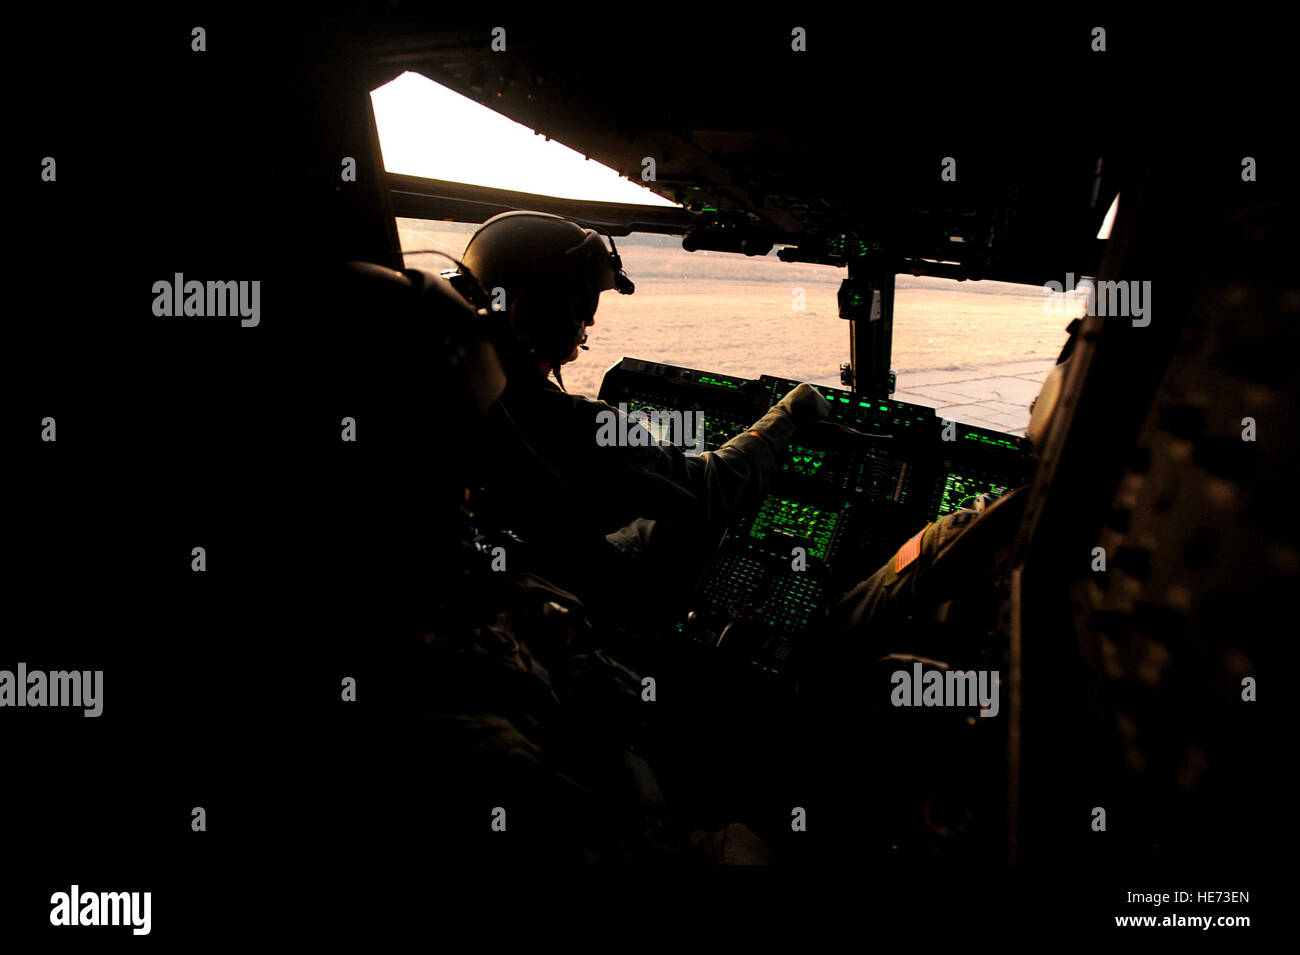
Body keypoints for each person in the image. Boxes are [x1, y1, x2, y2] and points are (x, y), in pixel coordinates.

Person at [449, 210, 831, 611]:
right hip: (565, 588)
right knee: (677, 526)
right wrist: (785, 415)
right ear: (540, 314)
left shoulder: (452, 390)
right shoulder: (573, 422)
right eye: (581, 305)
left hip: (508, 571)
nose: (591, 319)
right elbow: (706, 490)